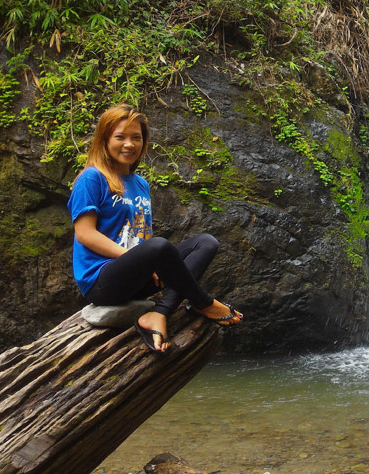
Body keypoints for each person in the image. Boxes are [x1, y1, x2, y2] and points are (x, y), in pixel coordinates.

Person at [67, 104, 242, 352]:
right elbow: (85, 234)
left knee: (206, 243)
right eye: (120, 137)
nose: (129, 144)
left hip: (138, 277)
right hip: (102, 281)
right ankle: (202, 302)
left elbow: (141, 233)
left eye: (136, 138)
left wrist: (148, 262)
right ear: (104, 139)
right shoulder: (92, 178)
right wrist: (140, 259)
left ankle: (159, 313)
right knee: (159, 246)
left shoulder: (140, 184)